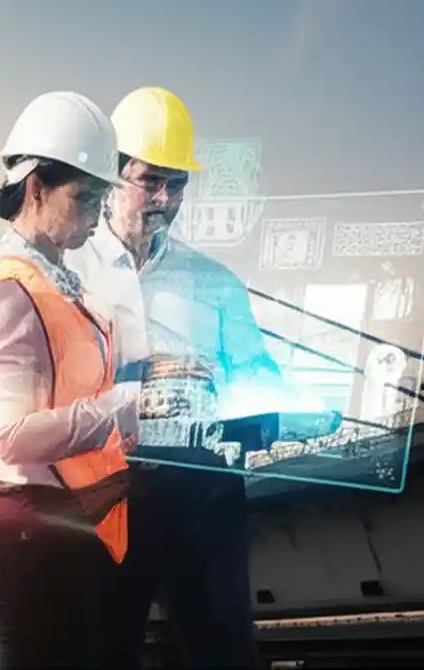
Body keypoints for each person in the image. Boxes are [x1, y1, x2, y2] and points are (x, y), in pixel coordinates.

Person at [67, 86, 283, 668]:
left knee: (225, 652)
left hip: (203, 494)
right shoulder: (64, 276)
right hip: (104, 493)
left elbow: (260, 373)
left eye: (178, 183)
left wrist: (260, 411)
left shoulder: (214, 284)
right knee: (102, 650)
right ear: (112, 176)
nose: (165, 198)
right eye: (151, 180)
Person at [0, 90, 141, 669]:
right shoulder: (13, 291)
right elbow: (7, 437)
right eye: (84, 198)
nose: (94, 215)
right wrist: (121, 407)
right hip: (25, 533)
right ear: (36, 189)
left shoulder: (61, 282)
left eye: (100, 199)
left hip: (57, 521)